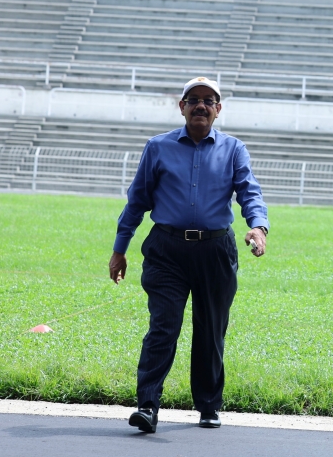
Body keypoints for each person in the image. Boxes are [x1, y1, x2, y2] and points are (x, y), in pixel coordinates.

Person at [108, 77, 269, 433]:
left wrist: (258, 227)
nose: (201, 105)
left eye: (209, 100)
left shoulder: (233, 149)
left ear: (218, 109)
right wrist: (120, 249)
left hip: (216, 251)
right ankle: (147, 406)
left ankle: (208, 406)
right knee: (163, 327)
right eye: (193, 99)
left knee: (211, 330)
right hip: (167, 250)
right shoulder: (158, 147)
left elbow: (249, 192)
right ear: (181, 106)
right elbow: (137, 201)